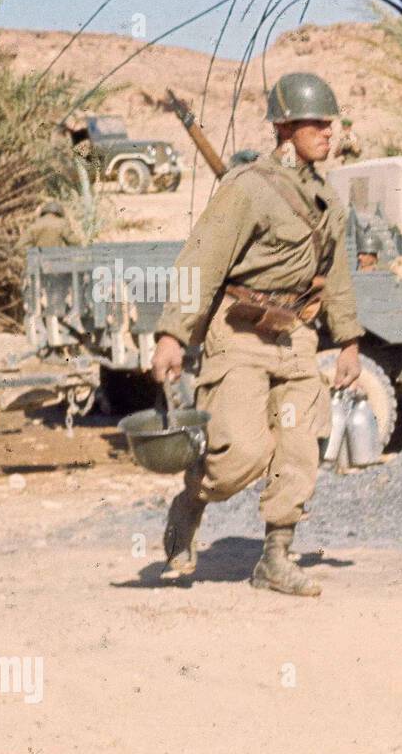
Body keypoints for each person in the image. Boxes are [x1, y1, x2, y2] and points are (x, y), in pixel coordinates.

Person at [149, 72, 363, 597]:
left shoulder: (328, 202)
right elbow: (202, 258)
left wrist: (350, 341)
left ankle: (275, 558)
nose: (327, 133)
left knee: (298, 449)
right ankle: (192, 502)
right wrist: (173, 334)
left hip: (295, 337)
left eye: (330, 124)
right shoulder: (247, 189)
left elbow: (334, 276)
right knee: (239, 454)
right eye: (317, 123)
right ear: (285, 126)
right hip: (239, 332)